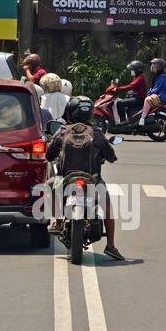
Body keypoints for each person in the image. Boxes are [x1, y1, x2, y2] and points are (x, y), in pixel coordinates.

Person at [47, 96, 124, 261]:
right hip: (93, 180)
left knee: (48, 186)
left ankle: (56, 220)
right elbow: (111, 156)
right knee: (107, 206)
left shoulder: (62, 131)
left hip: (65, 179)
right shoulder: (96, 132)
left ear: (71, 111)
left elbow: (49, 154)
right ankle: (111, 245)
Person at [139, 57, 166, 128]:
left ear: (160, 67)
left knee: (147, 100)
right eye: (152, 65)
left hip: (162, 97)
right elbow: (153, 88)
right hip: (159, 95)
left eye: (155, 65)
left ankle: (142, 118)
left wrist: (148, 94)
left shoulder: (163, 77)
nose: (152, 67)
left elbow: (156, 89)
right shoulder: (158, 76)